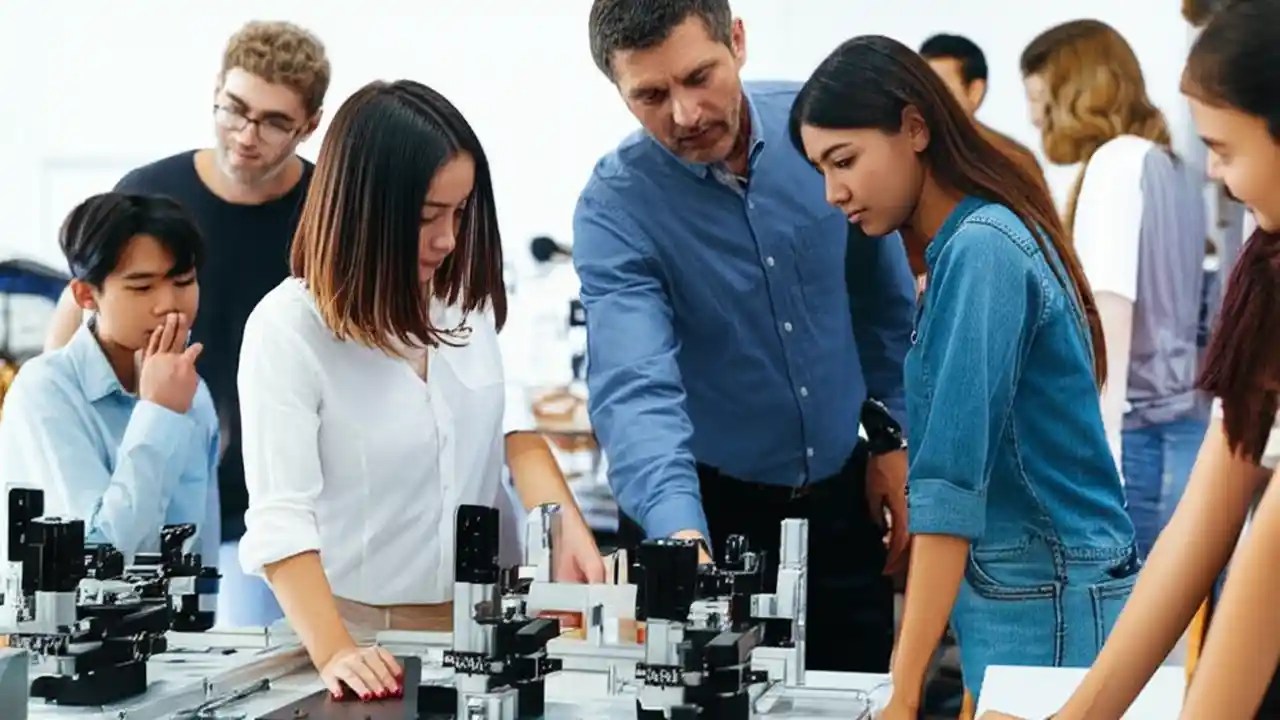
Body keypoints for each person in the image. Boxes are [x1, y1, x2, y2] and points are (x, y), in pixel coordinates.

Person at [790, 35, 1139, 711]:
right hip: (1034, 592)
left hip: (1049, 601)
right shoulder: (971, 243)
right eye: (821, 171)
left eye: (845, 161)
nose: (834, 193)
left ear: (915, 128)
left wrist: (903, 686)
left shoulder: (982, 251)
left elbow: (948, 492)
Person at [236, 79, 604, 702]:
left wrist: (563, 523)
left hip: (484, 622)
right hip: (356, 639)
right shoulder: (287, 330)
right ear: (362, 209)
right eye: (428, 217)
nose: (448, 240)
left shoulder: (463, 309)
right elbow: (281, 520)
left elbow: (511, 432)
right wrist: (336, 652)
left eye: (459, 213)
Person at [577, 0, 916, 673]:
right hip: (706, 507)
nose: (684, 114)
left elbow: (884, 310)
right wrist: (679, 541)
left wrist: (894, 439)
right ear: (618, 91)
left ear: (737, 40)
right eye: (650, 94)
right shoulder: (616, 206)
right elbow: (635, 386)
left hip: (841, 501)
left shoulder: (818, 134)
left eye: (699, 76)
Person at [983, 3, 1280, 718]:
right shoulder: (1260, 254)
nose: (1215, 169)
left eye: (1227, 148)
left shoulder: (1119, 167)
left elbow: (1266, 560)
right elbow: (1212, 511)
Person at [42, 20, 329, 628]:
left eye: (274, 121)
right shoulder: (151, 192)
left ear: (310, 124)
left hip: (294, 497)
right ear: (216, 92)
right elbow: (72, 327)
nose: (247, 136)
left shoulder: (327, 210)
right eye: (234, 109)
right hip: (166, 484)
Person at [1020, 20, 1209, 560]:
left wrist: (1091, 471)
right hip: (1182, 433)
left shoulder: (1115, 165)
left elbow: (1107, 327)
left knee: (1126, 629)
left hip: (1135, 445)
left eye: (1038, 96)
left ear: (1073, 91)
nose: (1035, 117)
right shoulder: (1169, 165)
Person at [0, 193, 218, 564]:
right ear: (86, 294)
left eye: (183, 281)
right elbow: (100, 553)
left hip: (173, 622)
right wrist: (160, 414)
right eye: (142, 287)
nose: (168, 304)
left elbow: (200, 551)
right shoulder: (46, 390)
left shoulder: (192, 392)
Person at [918, 34, 1045, 188]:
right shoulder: (909, 150)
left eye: (940, 89)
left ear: (975, 91)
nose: (927, 96)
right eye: (922, 85)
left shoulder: (1013, 161)